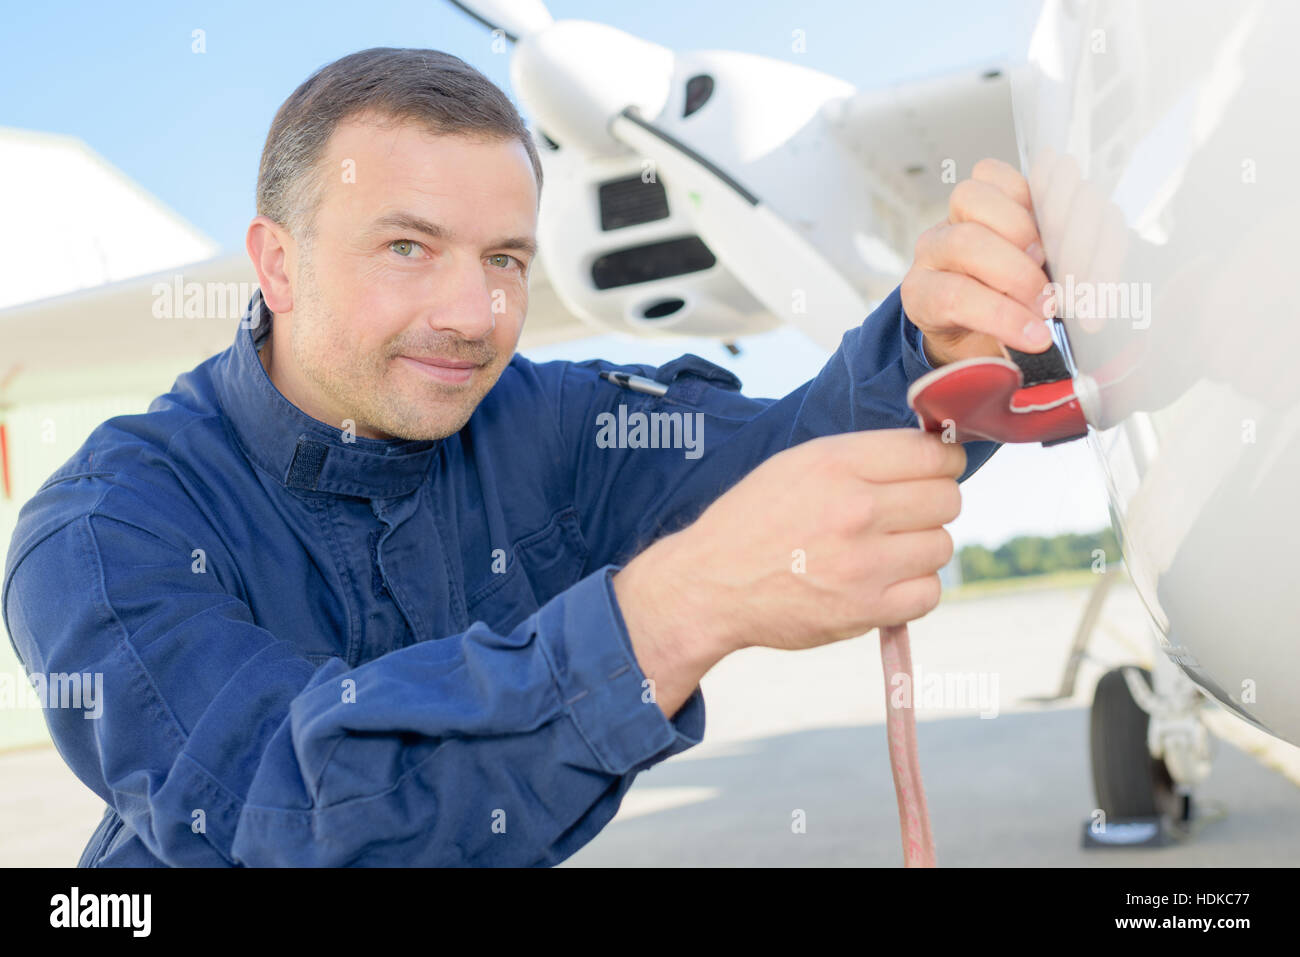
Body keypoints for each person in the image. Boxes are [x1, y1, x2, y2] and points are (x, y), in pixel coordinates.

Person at [1, 47, 1054, 866]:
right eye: (407, 247)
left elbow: (792, 460)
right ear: (277, 262)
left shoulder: (551, 424)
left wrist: (934, 339)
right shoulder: (104, 530)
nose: (474, 315)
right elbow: (287, 819)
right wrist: (664, 617)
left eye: (504, 258)